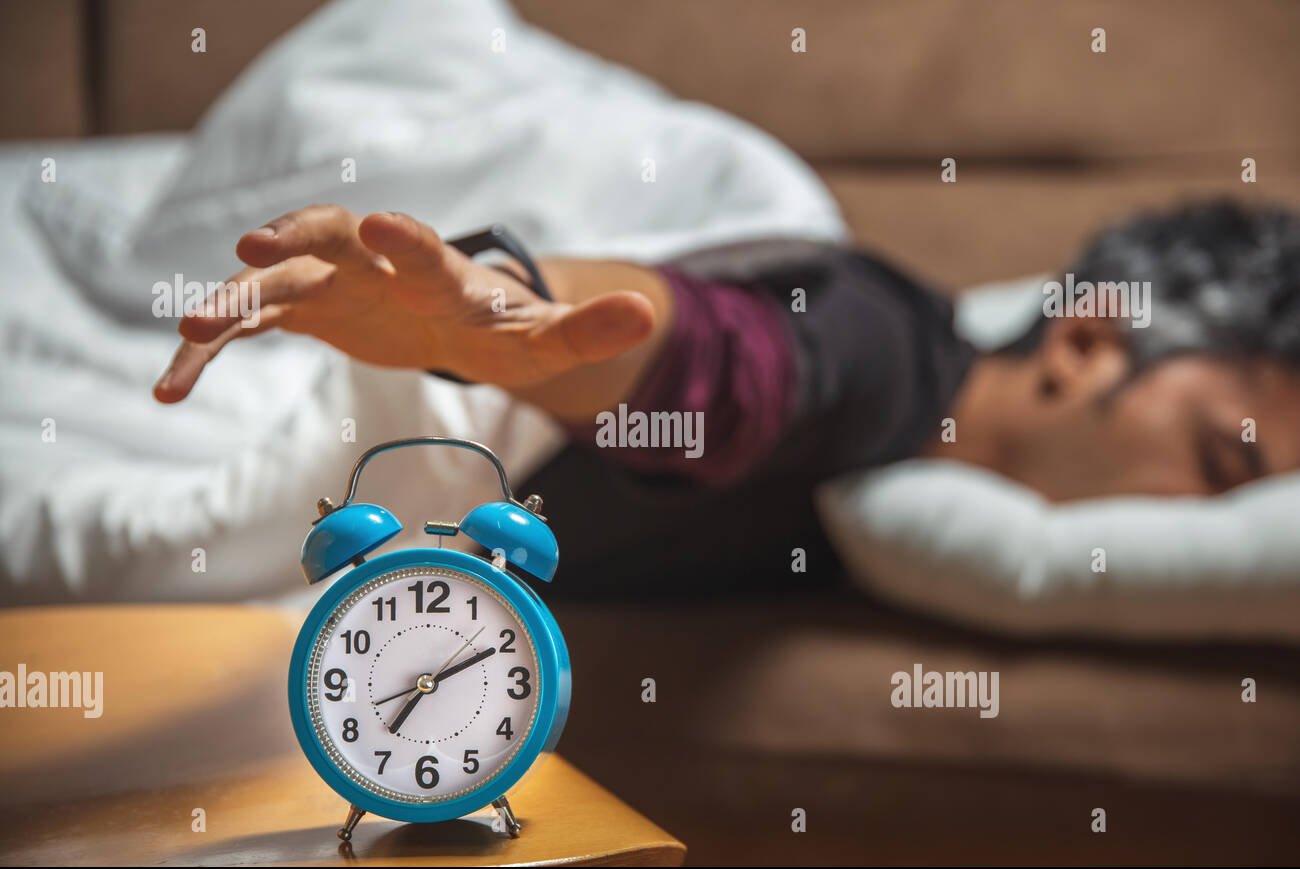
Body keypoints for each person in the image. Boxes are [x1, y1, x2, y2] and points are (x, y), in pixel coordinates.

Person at [153, 200, 1300, 596]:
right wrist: (509, 320)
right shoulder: (889, 348)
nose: (1215, 523)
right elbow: (736, 367)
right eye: (1222, 459)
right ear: (1087, 344)